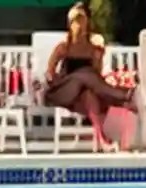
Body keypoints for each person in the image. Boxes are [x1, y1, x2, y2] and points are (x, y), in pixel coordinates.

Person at [43, 2, 138, 151]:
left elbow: (96, 78)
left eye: (82, 21)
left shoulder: (92, 49)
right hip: (63, 90)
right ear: (70, 24)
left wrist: (99, 59)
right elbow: (49, 72)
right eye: (76, 21)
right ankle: (122, 95)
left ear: (87, 24)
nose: (80, 25)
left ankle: (104, 141)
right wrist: (56, 80)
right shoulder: (63, 47)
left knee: (90, 96)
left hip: (79, 97)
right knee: (84, 75)